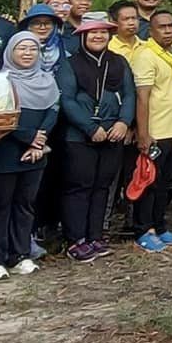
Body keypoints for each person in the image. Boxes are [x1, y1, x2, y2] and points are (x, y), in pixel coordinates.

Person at [0, 32, 58, 280]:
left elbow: (53, 110)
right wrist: (27, 137)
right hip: (6, 149)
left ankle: (20, 254)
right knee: (0, 206)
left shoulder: (47, 79)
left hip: (36, 153)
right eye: (21, 49)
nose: (27, 54)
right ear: (10, 52)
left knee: (25, 205)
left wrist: (39, 141)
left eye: (32, 49)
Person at [58, 15, 130, 262]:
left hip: (112, 134)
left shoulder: (119, 63)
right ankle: (76, 239)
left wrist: (123, 122)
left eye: (103, 32)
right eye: (93, 32)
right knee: (80, 186)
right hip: (79, 136)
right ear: (82, 36)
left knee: (102, 186)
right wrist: (89, 127)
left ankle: (96, 235)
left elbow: (129, 95)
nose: (98, 36)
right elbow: (66, 99)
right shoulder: (71, 64)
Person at [129, 10, 172, 252]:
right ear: (151, 31)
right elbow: (142, 98)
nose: (167, 31)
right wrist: (143, 133)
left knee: (165, 183)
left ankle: (160, 226)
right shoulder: (145, 56)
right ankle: (144, 229)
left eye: (170, 26)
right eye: (161, 27)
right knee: (148, 183)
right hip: (155, 131)